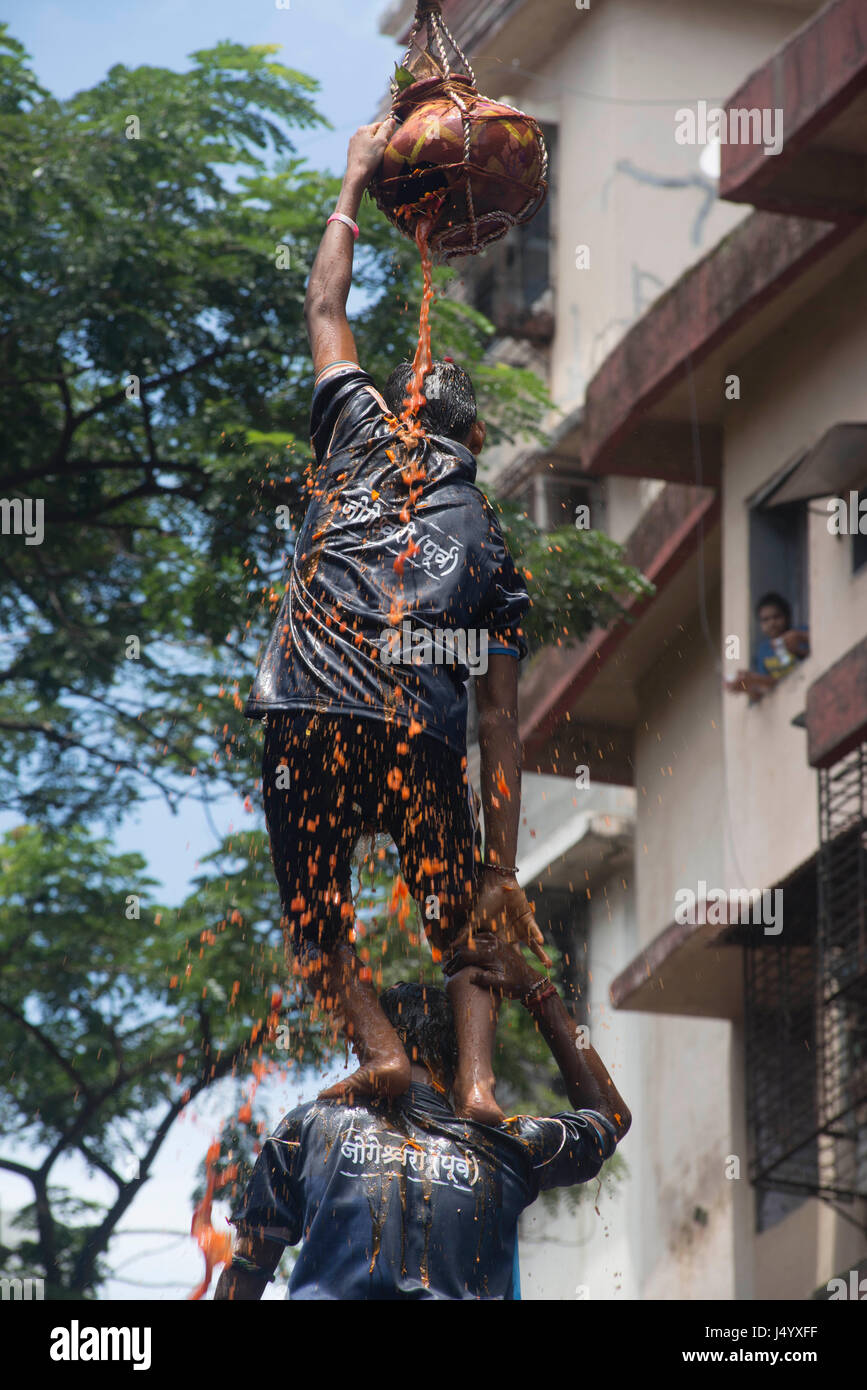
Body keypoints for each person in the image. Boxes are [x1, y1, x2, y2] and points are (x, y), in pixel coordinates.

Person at [243, 118, 548, 1125]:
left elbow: (324, 300)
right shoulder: (500, 554)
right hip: (418, 730)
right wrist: (500, 864)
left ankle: (378, 1050)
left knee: (314, 923)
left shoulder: (358, 426)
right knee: (462, 921)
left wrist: (356, 173)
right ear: (479, 435)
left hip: (307, 712)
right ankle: (477, 1083)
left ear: (407, 404)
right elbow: (501, 727)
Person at [214, 933, 631, 1301]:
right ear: (462, 1063)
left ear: (368, 1051)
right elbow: (608, 1116)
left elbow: (248, 1272)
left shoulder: (310, 1127)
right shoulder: (506, 1145)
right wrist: (538, 990)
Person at [725, 591, 810, 700]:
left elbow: (819, 654)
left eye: (776, 617)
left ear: (787, 616)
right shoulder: (764, 651)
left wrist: (798, 643)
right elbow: (766, 689)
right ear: (760, 624)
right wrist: (746, 686)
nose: (772, 623)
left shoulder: (799, 634)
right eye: (766, 620)